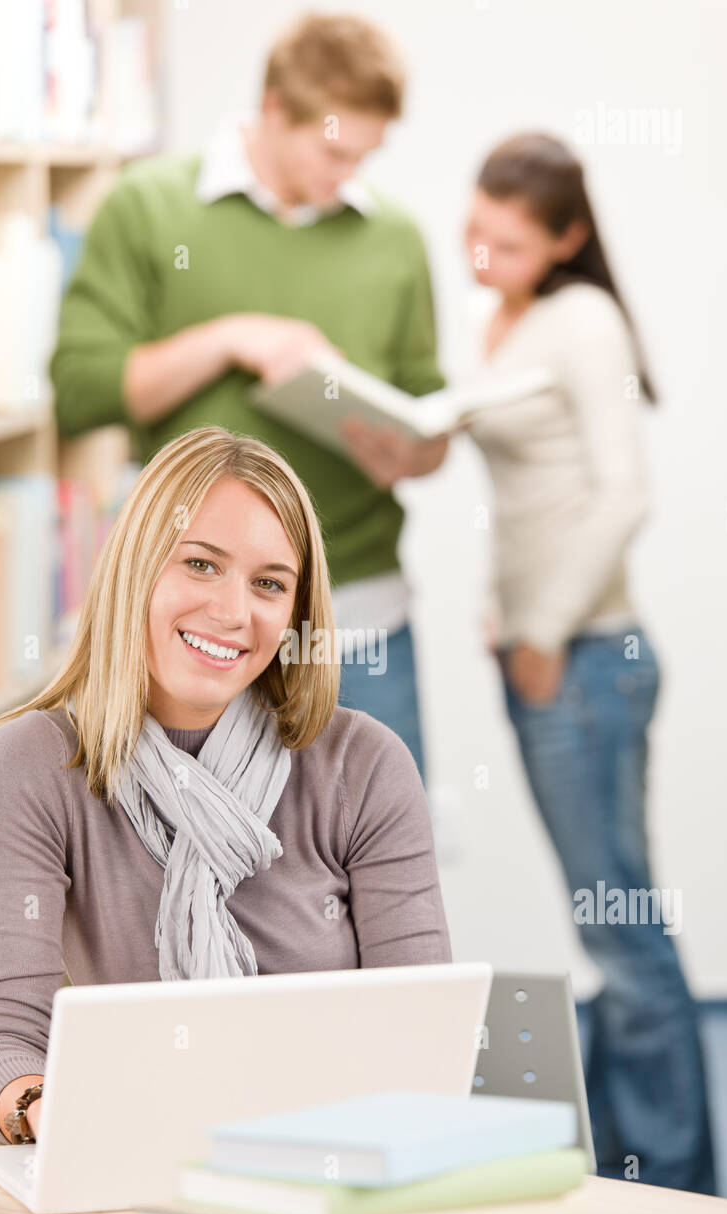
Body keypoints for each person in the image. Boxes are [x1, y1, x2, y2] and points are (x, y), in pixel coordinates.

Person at [0, 427, 451, 1146]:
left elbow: (423, 1033)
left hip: (330, 1168)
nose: (232, 612)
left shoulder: (364, 767)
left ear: (295, 615)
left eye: (270, 584)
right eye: (200, 564)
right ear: (137, 564)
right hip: (123, 1172)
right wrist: (43, 1110)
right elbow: (0, 1036)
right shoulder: (29, 764)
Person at [49, 12, 448, 782]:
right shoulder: (148, 206)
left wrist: (418, 449)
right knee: (182, 866)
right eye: (333, 150)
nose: (347, 173)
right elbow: (82, 390)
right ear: (273, 109)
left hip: (358, 619)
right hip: (195, 621)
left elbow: (425, 408)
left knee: (382, 865)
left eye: (365, 155)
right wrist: (230, 338)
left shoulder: (395, 237)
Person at [459, 132, 716, 1193]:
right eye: (471, 233)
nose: (481, 257)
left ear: (566, 237)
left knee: (621, 929)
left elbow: (620, 492)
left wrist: (543, 625)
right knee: (601, 921)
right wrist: (498, 606)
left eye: (507, 243)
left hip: (584, 663)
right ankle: (622, 1170)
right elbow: (531, 497)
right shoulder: (509, 316)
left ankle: (672, 1185)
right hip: (541, 653)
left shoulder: (583, 318)